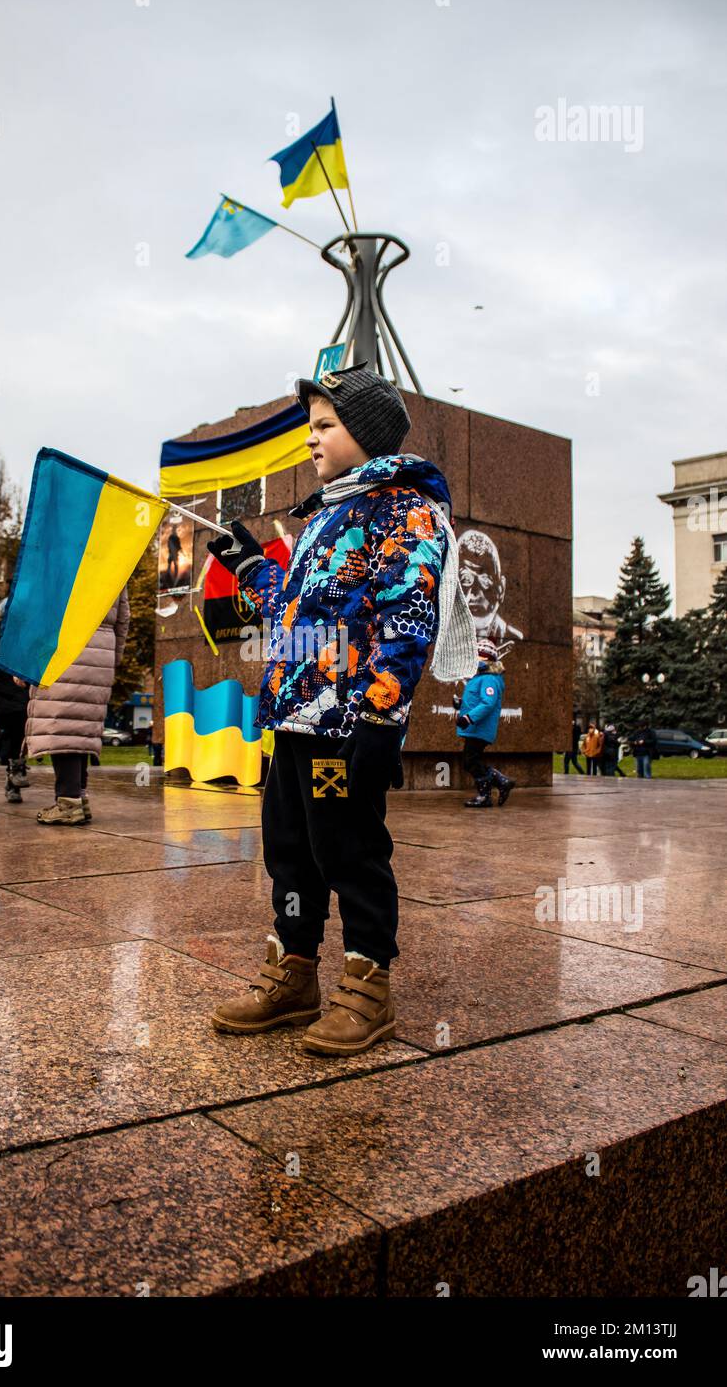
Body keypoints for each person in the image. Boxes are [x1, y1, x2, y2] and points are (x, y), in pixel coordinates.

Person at [206, 362, 477, 1057]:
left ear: (367, 431)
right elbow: (295, 613)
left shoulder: (405, 511)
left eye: (324, 425)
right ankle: (294, 972)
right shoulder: (327, 515)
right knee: (289, 851)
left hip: (346, 726)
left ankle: (368, 983)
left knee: (347, 850)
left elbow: (406, 619)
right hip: (293, 719)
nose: (310, 439)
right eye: (311, 426)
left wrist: (382, 718)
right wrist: (251, 568)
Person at [24, 586, 130, 825]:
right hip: (101, 653)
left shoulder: (61, 564)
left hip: (63, 650)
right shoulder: (113, 567)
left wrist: (25, 660)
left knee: (61, 727)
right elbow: (124, 618)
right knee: (80, 728)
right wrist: (113, 658)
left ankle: (68, 802)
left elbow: (39, 610)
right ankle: (80, 798)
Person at [453, 638, 515, 807]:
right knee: (472, 760)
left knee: (471, 761)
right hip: (475, 728)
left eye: (476, 655)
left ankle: (489, 793)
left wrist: (468, 718)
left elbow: (488, 703)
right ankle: (499, 783)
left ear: (485, 657)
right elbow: (476, 700)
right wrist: (461, 703)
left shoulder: (489, 678)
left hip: (480, 728)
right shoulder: (480, 676)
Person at [0, 599, 31, 803]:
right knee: (13, 731)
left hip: (25, 690)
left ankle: (16, 773)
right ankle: (14, 772)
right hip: (6, 691)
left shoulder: (28, 633)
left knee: (23, 733)